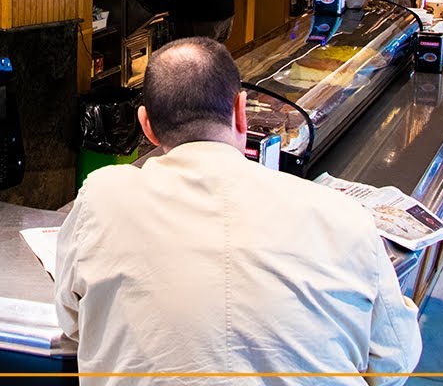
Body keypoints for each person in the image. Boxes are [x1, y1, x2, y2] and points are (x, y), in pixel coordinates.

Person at [55, 37, 422, 384]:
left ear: (146, 127)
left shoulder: (101, 197)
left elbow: (71, 322)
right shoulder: (344, 216)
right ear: (240, 112)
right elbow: (394, 361)